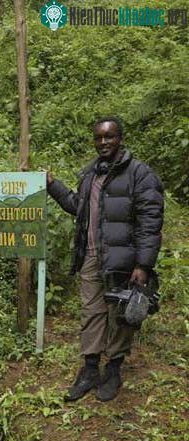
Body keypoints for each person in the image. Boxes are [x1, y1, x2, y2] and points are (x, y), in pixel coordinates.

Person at [47, 117, 164, 401]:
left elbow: (151, 220)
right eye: (98, 137)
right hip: (91, 256)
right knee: (91, 313)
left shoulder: (139, 174)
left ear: (120, 138)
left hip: (124, 260)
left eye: (109, 137)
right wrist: (52, 184)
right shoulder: (91, 174)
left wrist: (143, 264)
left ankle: (113, 369)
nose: (103, 142)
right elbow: (79, 207)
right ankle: (89, 370)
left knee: (121, 315)